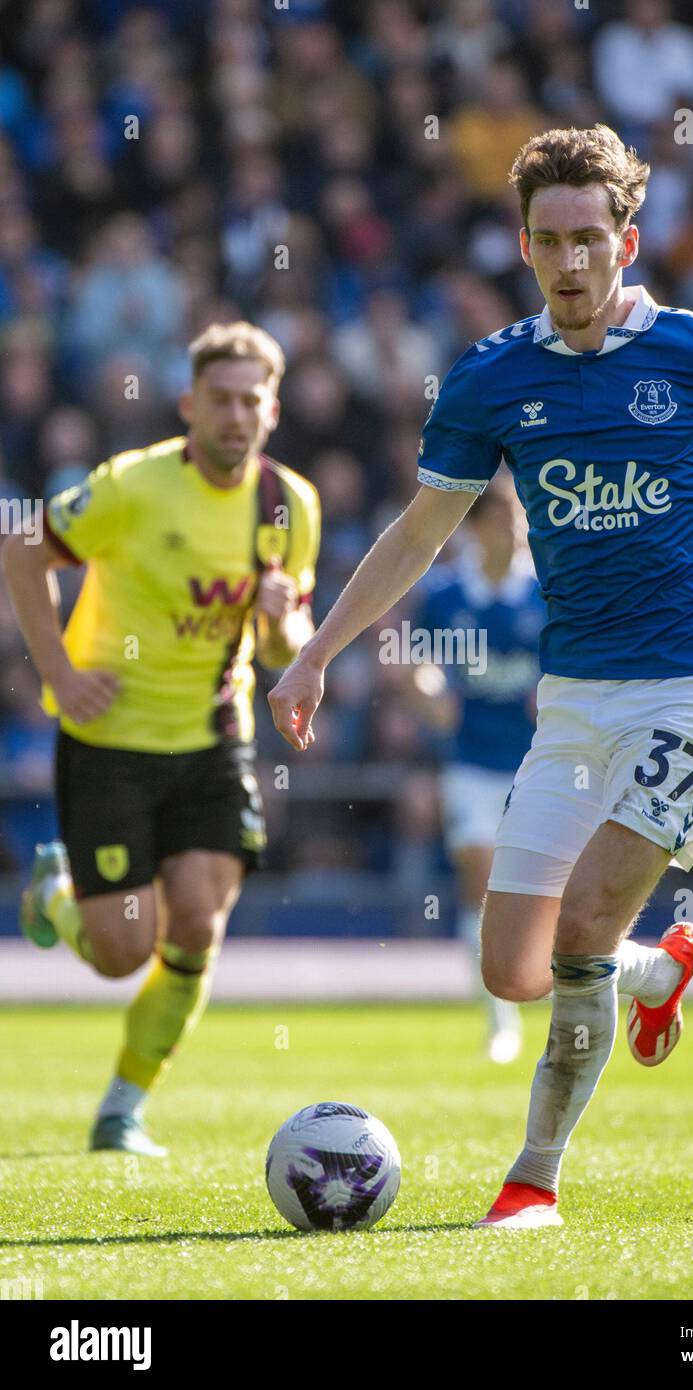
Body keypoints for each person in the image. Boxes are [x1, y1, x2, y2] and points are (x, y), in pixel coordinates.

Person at [267, 125, 693, 1228]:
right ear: (523, 246)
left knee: (580, 924)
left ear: (626, 242)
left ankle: (531, 1176)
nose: (571, 261)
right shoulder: (492, 379)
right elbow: (415, 534)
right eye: (550, 241)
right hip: (572, 699)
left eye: (591, 238)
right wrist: (314, 651)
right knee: (511, 965)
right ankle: (652, 972)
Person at [2, 321, 320, 1155]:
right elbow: (22, 549)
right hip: (110, 742)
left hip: (215, 741)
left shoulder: (292, 504)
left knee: (195, 929)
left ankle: (123, 1108)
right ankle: (56, 899)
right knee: (120, 951)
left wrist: (284, 629)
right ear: (187, 404)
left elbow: (290, 644)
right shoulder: (132, 487)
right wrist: (60, 677)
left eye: (250, 400)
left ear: (273, 410)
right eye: (219, 398)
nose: (234, 415)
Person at [409, 476, 545, 1062]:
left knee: (543, 890)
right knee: (480, 880)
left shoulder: (544, 594)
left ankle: (562, 997)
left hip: (542, 764)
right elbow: (418, 664)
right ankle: (501, 1017)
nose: (516, 532)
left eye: (521, 519)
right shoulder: (444, 597)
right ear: (478, 526)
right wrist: (426, 691)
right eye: (506, 519)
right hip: (470, 762)